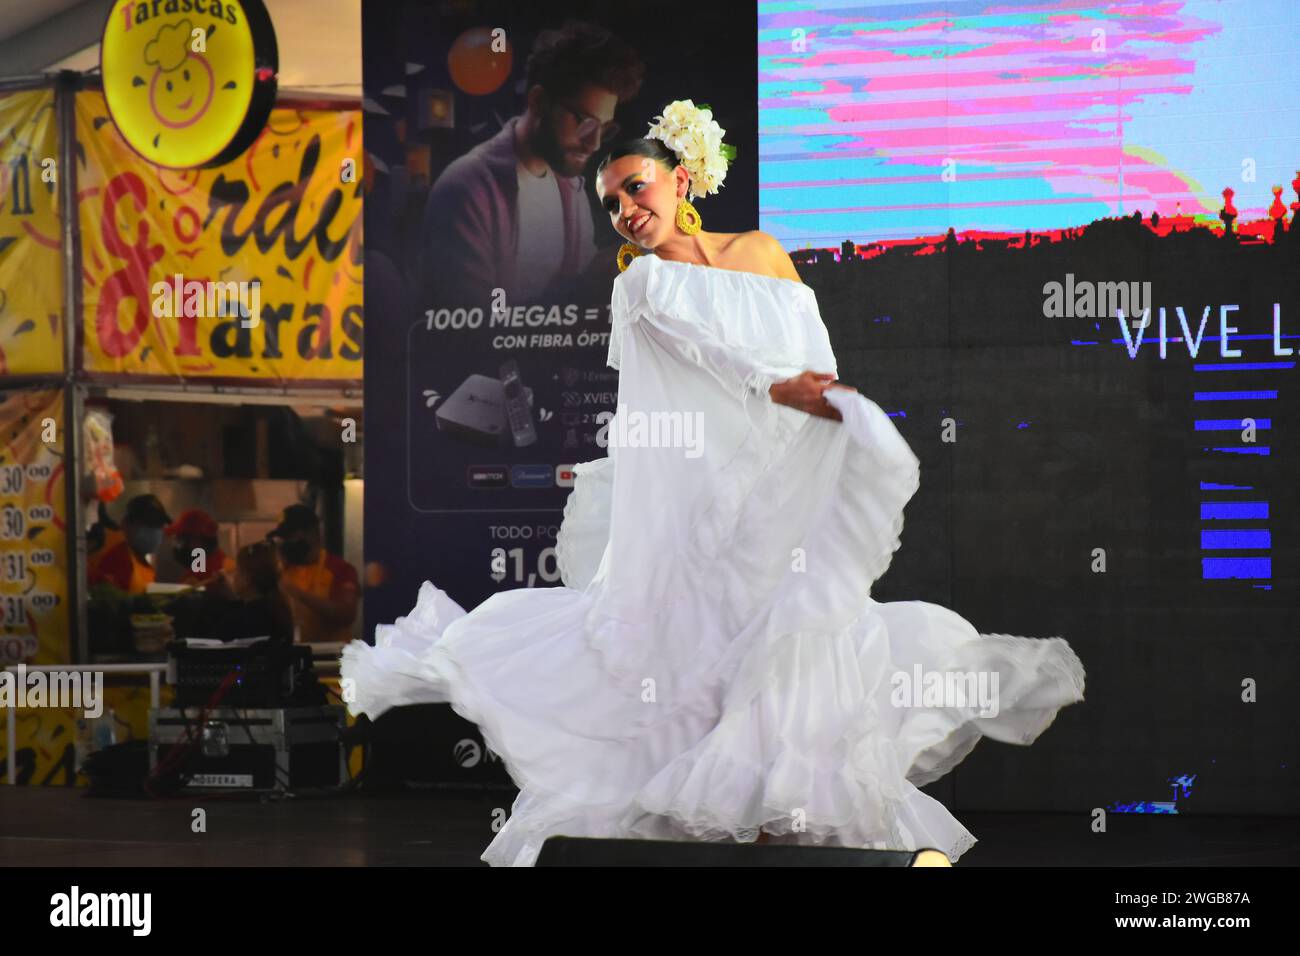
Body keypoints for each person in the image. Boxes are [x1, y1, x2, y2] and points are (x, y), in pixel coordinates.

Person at [343, 101, 1086, 867]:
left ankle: (782, 819)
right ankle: (728, 826)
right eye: (611, 205)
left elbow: (816, 353)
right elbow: (708, 357)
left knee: (799, 639)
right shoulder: (640, 289)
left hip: (786, 473)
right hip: (702, 494)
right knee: (699, 652)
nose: (627, 211)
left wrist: (822, 412)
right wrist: (780, 388)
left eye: (636, 188)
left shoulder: (763, 250)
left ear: (681, 179)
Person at [418, 20, 644, 306]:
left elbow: (575, 300)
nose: (594, 143)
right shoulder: (466, 188)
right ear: (538, 101)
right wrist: (585, 287)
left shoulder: (570, 186)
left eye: (604, 128)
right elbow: (462, 328)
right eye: (584, 122)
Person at [268, 504, 359, 644]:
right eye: (282, 539)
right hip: (297, 653)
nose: (285, 543)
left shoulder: (339, 569)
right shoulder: (284, 570)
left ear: (312, 533)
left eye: (290, 537)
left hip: (331, 658)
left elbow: (346, 614)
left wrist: (299, 594)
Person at [87, 493, 171, 595]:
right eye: (148, 523)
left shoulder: (143, 564)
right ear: (126, 524)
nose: (154, 530)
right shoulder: (117, 556)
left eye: (158, 525)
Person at [165, 508, 233, 587]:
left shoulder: (197, 577)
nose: (178, 546)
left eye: (180, 540)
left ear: (196, 541)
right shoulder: (224, 563)